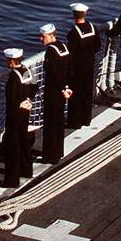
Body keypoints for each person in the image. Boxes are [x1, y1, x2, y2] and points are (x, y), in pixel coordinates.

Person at [2, 48, 37, 187]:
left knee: (13, 145)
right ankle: (27, 170)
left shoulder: (13, 77)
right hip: (26, 111)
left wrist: (19, 103)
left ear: (11, 61)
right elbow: (34, 87)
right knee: (24, 140)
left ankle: (12, 179)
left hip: (14, 114)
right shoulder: (28, 71)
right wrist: (28, 100)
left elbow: (11, 99)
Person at [39, 24, 72, 163]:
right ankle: (58, 150)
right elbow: (69, 70)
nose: (41, 39)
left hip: (53, 92)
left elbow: (52, 73)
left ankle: (50, 156)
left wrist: (60, 88)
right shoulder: (64, 48)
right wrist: (67, 88)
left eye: (43, 36)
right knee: (59, 121)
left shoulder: (51, 51)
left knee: (51, 123)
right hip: (62, 91)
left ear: (51, 35)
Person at [66, 4, 99, 129]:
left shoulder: (74, 32)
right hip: (90, 65)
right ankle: (86, 119)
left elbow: (71, 52)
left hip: (77, 68)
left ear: (74, 15)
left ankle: (74, 121)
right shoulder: (92, 27)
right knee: (87, 91)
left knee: (76, 94)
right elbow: (97, 46)